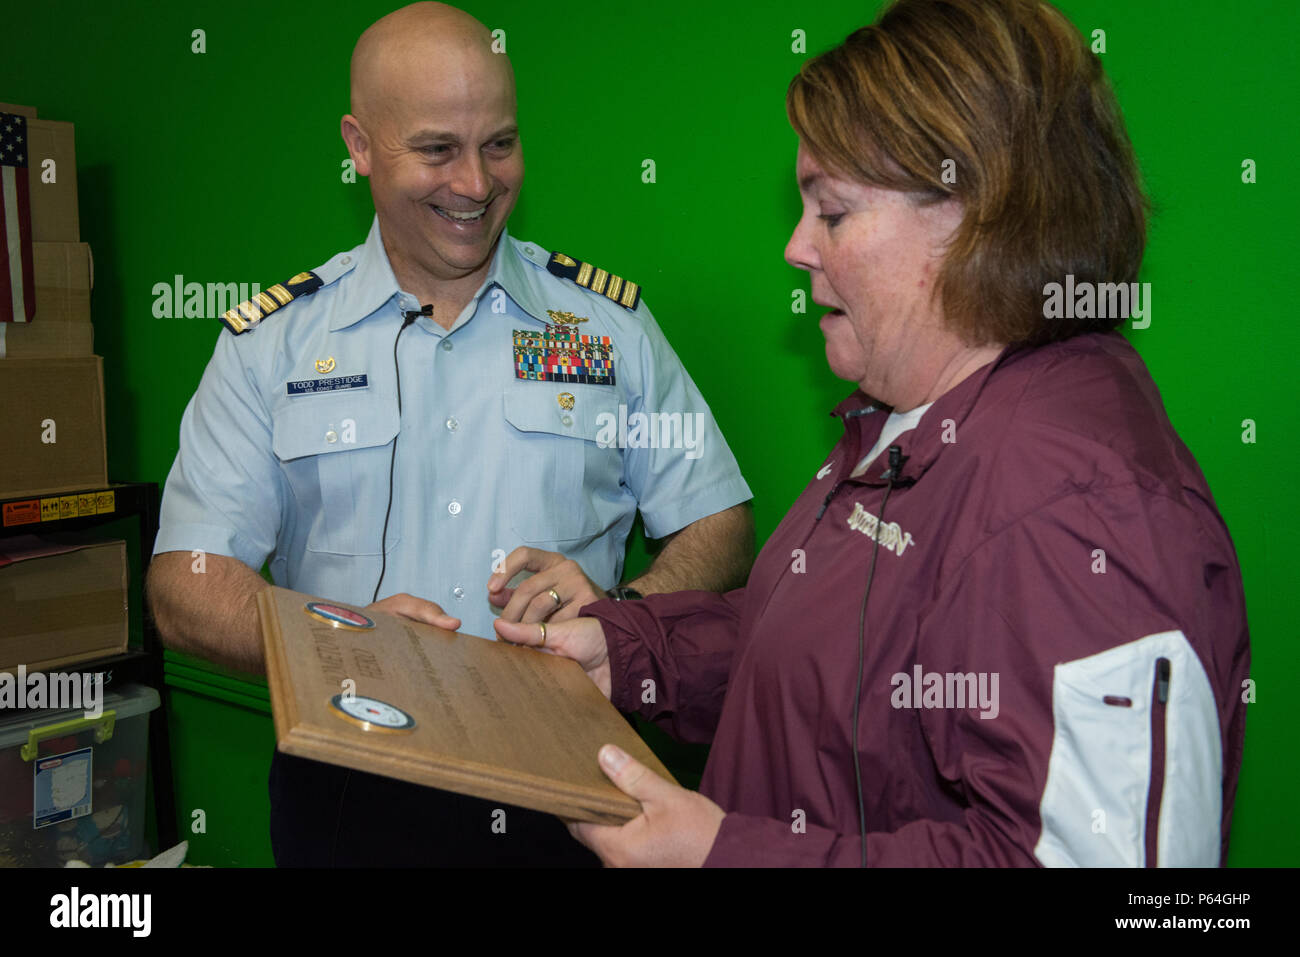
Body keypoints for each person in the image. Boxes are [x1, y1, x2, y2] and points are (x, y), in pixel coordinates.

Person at [497, 0, 1251, 866]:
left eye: (834, 211)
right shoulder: (921, 416)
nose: (794, 246)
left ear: (974, 215)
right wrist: (628, 652)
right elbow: (835, 656)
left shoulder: (1077, 507)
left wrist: (722, 854)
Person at [146, 2, 754, 867]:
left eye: (499, 144)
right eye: (436, 149)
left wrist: (624, 618)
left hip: (573, 789)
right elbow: (185, 584)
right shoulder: (271, 346)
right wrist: (337, 642)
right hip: (351, 793)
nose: (475, 183)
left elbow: (719, 522)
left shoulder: (604, 325)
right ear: (359, 146)